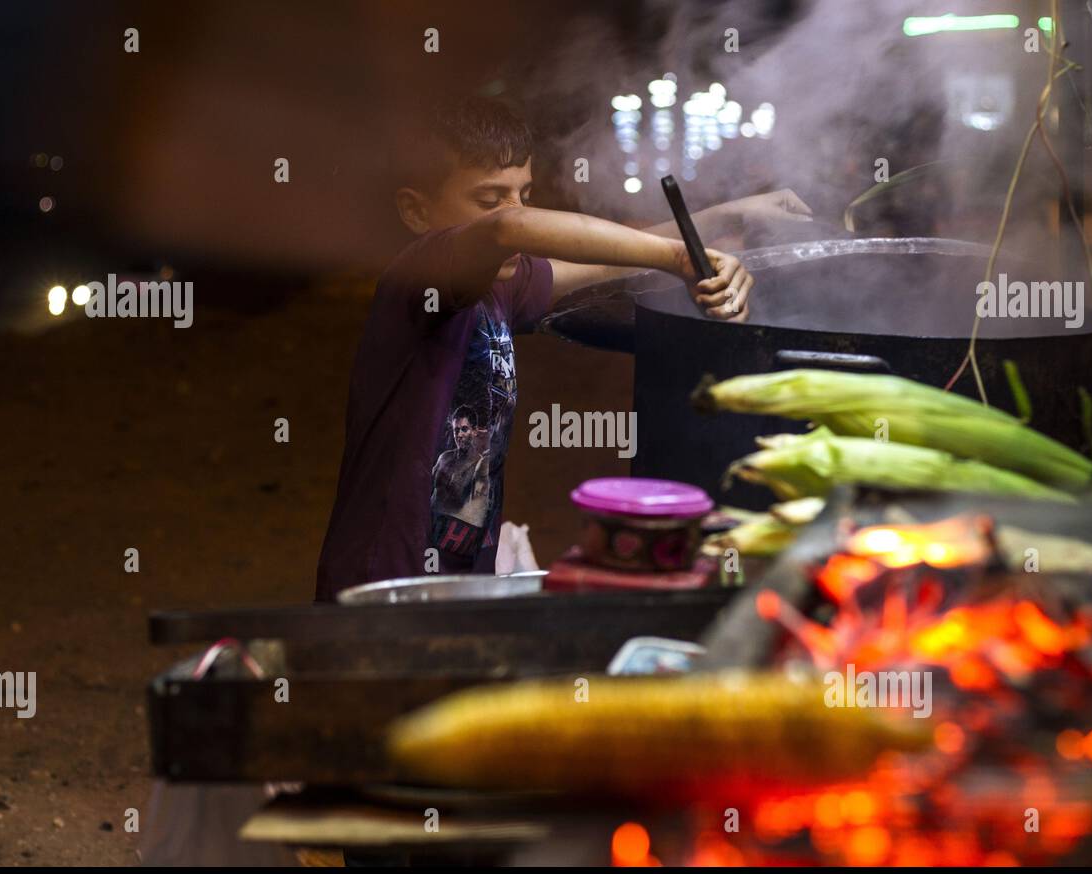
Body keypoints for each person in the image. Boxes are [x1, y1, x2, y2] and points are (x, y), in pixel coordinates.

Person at [314, 95, 810, 601]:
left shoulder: (502, 287)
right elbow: (512, 228)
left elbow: (603, 264)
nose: (513, 209)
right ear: (416, 212)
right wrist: (679, 257)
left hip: (458, 565)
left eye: (524, 192)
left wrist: (727, 215)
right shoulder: (419, 277)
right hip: (383, 574)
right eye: (489, 198)